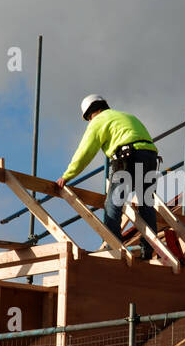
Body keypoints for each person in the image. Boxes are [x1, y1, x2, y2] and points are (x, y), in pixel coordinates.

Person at [56, 94, 159, 256]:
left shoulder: (99, 120)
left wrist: (67, 175)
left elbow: (85, 152)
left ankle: (114, 246)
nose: (90, 122)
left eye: (89, 118)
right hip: (150, 157)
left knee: (112, 204)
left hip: (128, 157)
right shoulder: (126, 116)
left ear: (91, 113)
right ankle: (150, 249)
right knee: (146, 204)